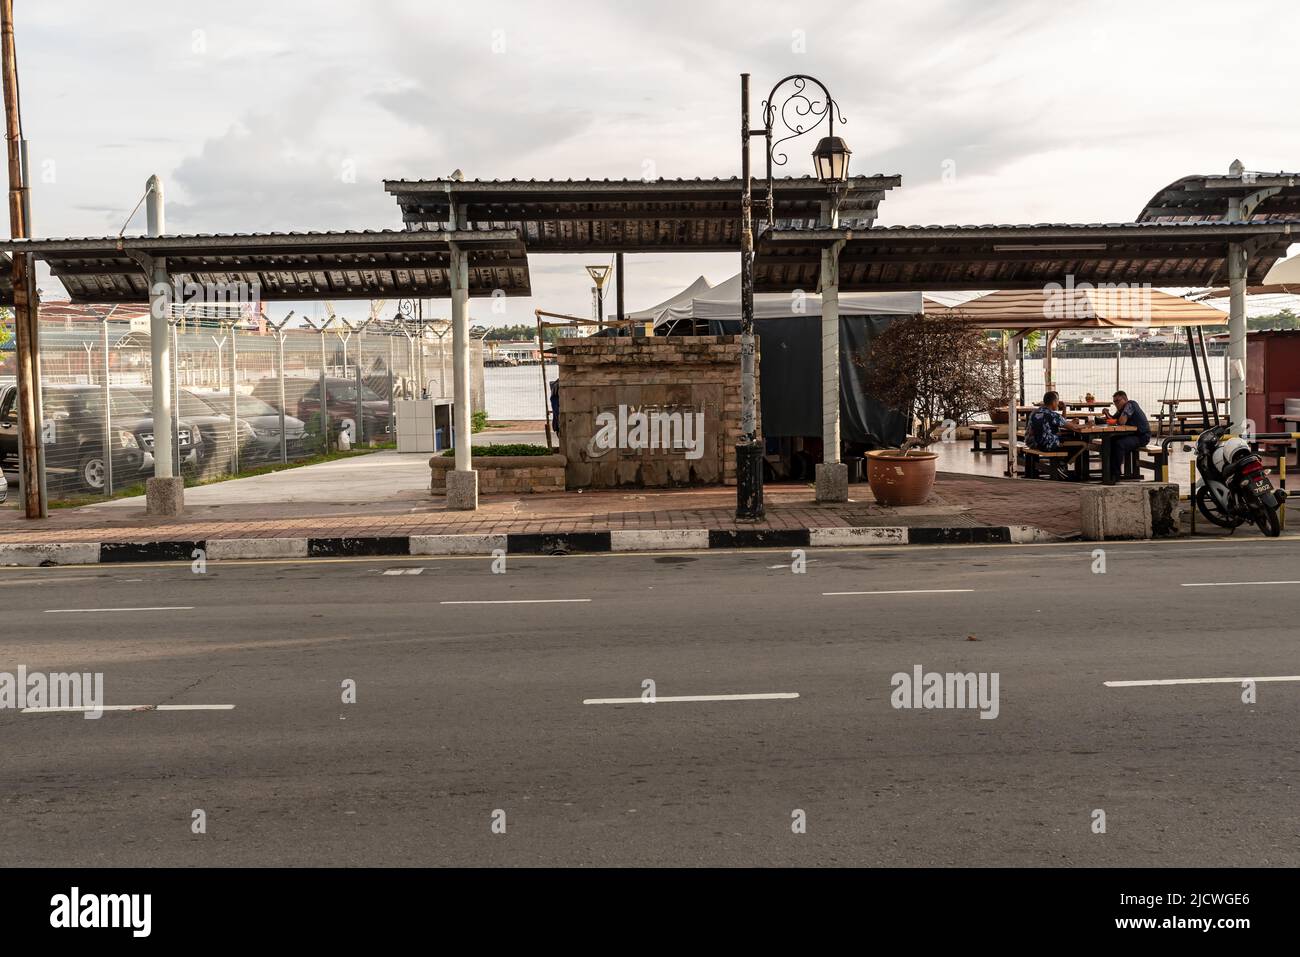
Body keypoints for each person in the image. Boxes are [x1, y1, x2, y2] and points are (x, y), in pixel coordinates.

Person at [1025, 391, 1088, 479]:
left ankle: (1061, 464)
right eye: (1057, 401)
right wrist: (1088, 425)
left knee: (1068, 439)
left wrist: (1064, 409)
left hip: (1033, 443)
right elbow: (1075, 428)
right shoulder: (1053, 415)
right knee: (1083, 444)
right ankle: (1062, 464)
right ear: (1054, 402)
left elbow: (1061, 422)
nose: (1058, 403)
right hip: (1047, 445)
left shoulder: (1035, 412)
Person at [1108, 390, 1150, 481]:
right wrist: (1107, 414)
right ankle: (1108, 472)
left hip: (1142, 436)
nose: (1116, 404)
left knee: (1119, 444)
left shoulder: (1130, 404)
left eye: (1118, 401)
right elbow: (1113, 420)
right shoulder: (1122, 409)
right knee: (1110, 441)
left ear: (1125, 399)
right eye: (1114, 402)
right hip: (1132, 435)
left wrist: (1118, 417)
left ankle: (1115, 475)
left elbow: (1121, 421)